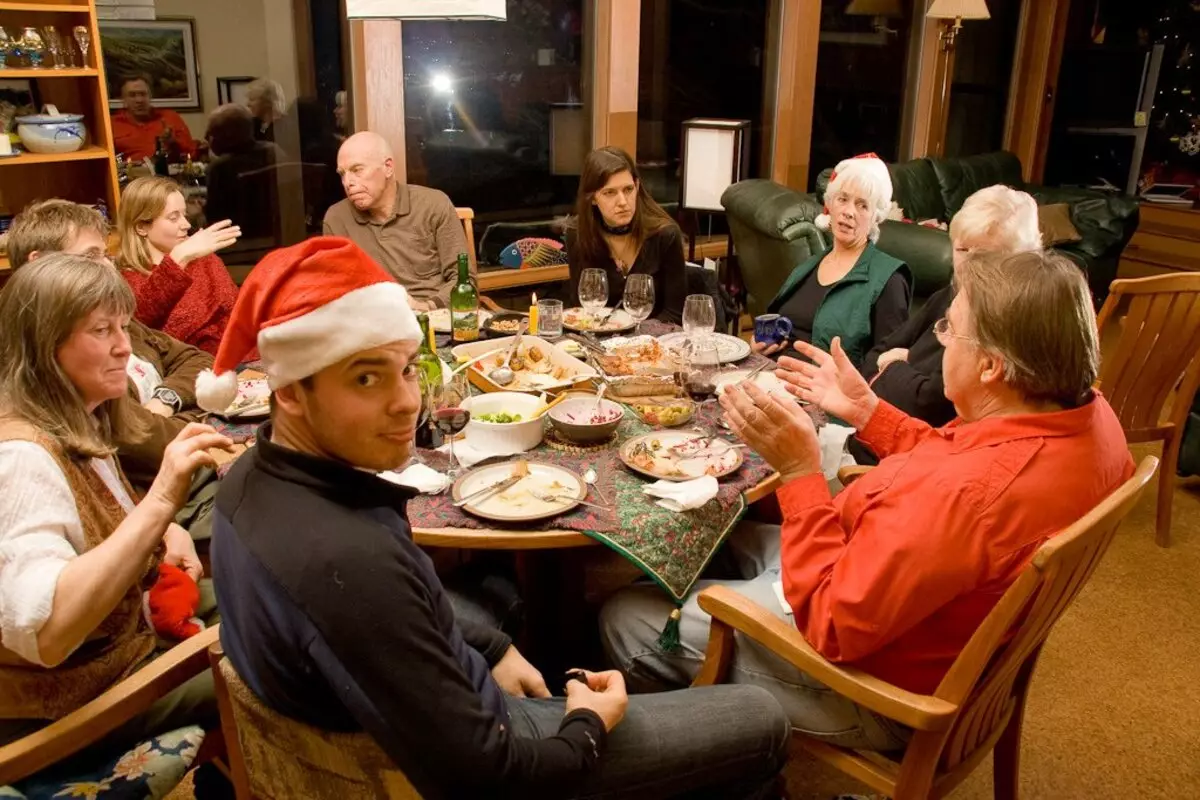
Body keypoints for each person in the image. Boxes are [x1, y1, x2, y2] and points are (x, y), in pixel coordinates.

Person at [204, 237, 790, 800]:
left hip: (427, 710)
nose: (409, 402)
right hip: (511, 761)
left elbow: (408, 603)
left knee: (499, 590)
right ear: (289, 393)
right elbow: (492, 778)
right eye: (365, 377)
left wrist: (492, 648)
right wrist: (586, 724)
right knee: (761, 718)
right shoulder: (347, 562)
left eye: (407, 368)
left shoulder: (248, 483)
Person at [600, 250, 1133, 751]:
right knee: (720, 532)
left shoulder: (966, 497)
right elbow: (960, 458)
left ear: (992, 366)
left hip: (874, 686)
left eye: (950, 328)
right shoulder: (1089, 422)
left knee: (625, 613)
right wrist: (868, 412)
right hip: (906, 601)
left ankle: (702, 757)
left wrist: (800, 471)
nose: (941, 339)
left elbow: (833, 624)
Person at [0, 252, 232, 749]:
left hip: (122, 642)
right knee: (270, 666)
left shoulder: (80, 419)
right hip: (62, 706)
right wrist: (164, 497)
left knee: (271, 601)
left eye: (123, 328)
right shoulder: (20, 458)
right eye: (102, 330)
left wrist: (165, 530)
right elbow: (48, 634)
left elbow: (98, 523)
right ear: (45, 346)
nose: (125, 348)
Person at [5, 200, 214, 497]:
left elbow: (196, 358)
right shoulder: (56, 362)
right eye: (91, 256)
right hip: (171, 489)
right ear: (40, 263)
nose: (107, 266)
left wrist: (166, 399)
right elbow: (144, 441)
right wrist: (207, 417)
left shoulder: (112, 316)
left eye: (105, 254)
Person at [858, 185, 1043, 434]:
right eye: (962, 249)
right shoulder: (949, 295)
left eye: (985, 255)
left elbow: (927, 407)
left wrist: (896, 365)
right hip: (878, 433)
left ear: (1019, 259)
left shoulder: (1006, 325)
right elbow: (873, 358)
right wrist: (904, 370)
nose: (967, 265)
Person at [756, 153, 910, 368]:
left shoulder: (889, 280)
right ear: (831, 204)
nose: (848, 212)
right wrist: (758, 349)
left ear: (876, 217)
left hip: (821, 394)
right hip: (771, 375)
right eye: (843, 199)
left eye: (862, 205)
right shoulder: (808, 267)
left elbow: (887, 368)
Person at [323, 131, 470, 311]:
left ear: (388, 167)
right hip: (375, 323)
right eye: (342, 174)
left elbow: (464, 278)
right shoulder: (337, 219)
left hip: (434, 316)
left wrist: (427, 306)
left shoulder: (433, 204)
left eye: (357, 170)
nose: (347, 182)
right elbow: (336, 292)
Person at [116, 176, 243, 356]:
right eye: (174, 218)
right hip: (190, 371)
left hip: (240, 359)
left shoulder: (205, 259)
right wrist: (178, 260)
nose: (186, 225)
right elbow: (140, 327)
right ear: (142, 227)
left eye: (185, 215)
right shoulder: (127, 278)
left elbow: (237, 314)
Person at [563, 146, 688, 324]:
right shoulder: (577, 233)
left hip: (653, 342)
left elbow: (675, 314)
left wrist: (631, 342)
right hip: (599, 340)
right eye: (609, 193)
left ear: (637, 186)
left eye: (628, 190)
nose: (622, 202)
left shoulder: (665, 235)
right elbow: (581, 308)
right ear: (592, 198)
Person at [204, 104, 286, 243]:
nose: (206, 138)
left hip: (239, 243)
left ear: (226, 135)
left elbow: (215, 221)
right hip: (283, 235)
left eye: (211, 133)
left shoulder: (220, 168)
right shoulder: (275, 151)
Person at [110, 74, 198, 163]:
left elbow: (191, 154)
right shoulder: (111, 124)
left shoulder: (170, 117)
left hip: (169, 172)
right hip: (132, 173)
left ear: (150, 96)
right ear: (123, 99)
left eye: (143, 94)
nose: (139, 100)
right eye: (132, 95)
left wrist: (173, 143)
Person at [244, 78, 286, 143]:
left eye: (252, 99)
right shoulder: (257, 126)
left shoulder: (285, 127)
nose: (248, 104)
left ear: (268, 101)